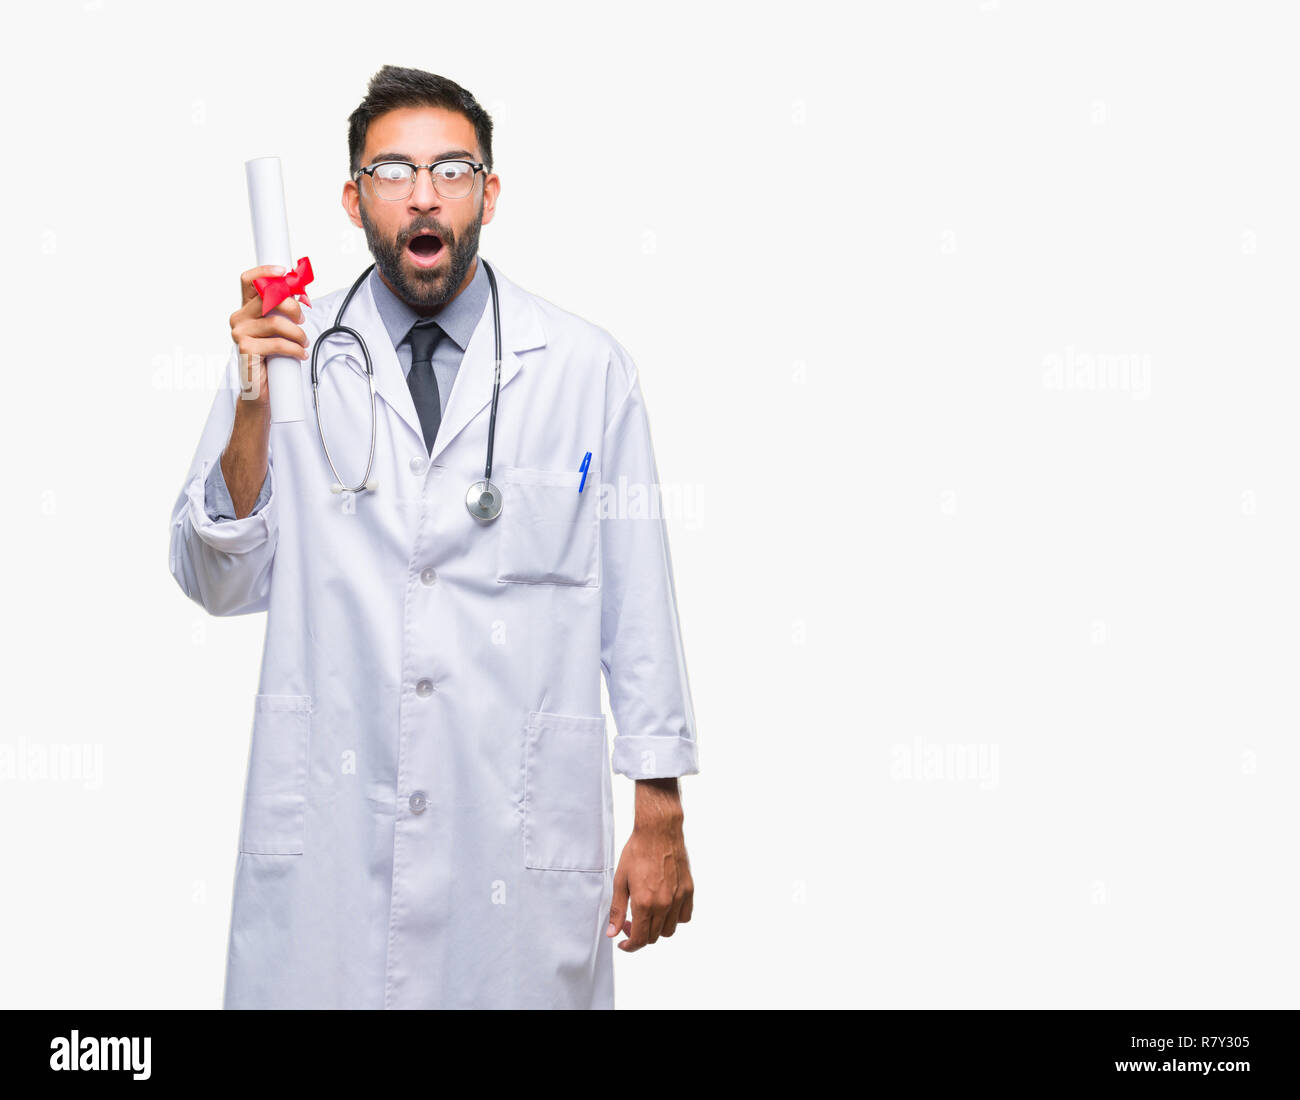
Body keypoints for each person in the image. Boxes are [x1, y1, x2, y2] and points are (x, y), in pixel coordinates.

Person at [167, 65, 699, 1009]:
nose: (423, 193)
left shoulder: (585, 368)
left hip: (512, 833)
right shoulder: (290, 354)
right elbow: (218, 579)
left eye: (452, 169)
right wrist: (253, 390)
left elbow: (637, 597)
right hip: (334, 837)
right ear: (352, 198)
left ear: (489, 191)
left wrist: (658, 807)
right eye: (393, 171)